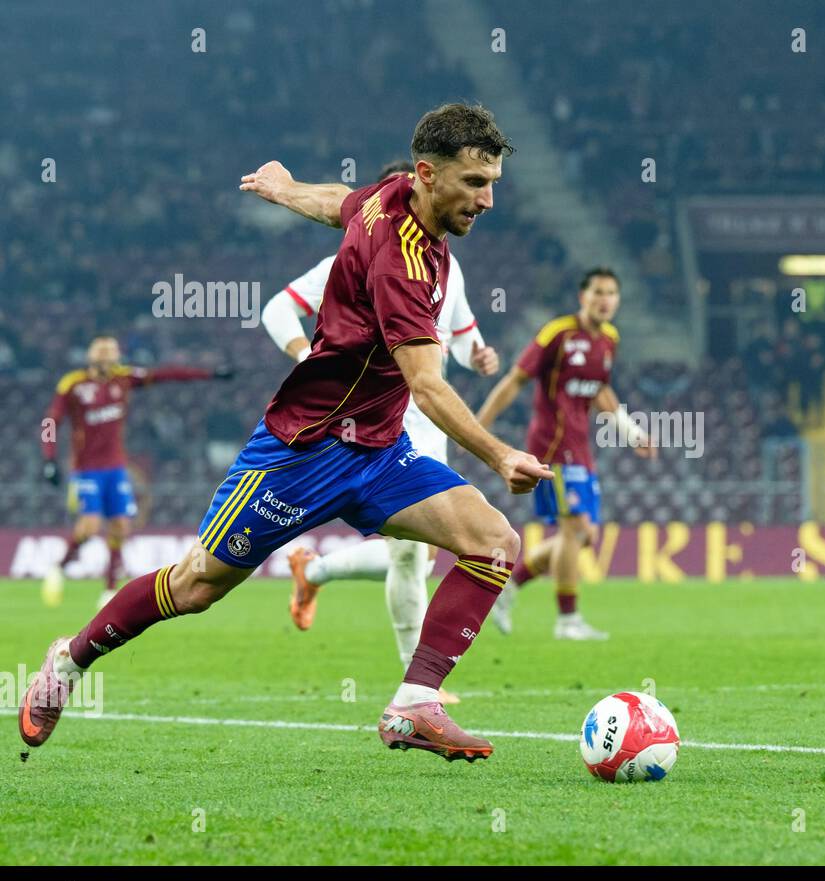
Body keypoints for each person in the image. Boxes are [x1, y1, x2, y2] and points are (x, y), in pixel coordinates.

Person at [21, 103, 551, 763]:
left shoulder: (390, 198)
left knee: (493, 542)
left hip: (379, 451)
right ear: (426, 174)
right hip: (303, 450)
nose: (489, 199)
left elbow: (341, 203)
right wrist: (501, 455)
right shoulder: (405, 265)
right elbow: (428, 385)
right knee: (195, 587)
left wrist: (284, 189)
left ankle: (415, 703)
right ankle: (66, 664)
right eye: (475, 183)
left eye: (493, 181)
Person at [260, 161, 500, 706]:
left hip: (427, 417)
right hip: (366, 415)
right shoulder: (355, 251)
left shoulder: (445, 262)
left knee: (416, 556)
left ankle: (314, 571)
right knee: (412, 557)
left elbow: (457, 333)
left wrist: (477, 354)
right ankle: (416, 682)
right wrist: (307, 356)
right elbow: (278, 309)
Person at [477, 269, 655, 641]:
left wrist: (632, 432)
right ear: (582, 296)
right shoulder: (557, 333)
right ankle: (568, 620)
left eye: (611, 293)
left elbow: (601, 392)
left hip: (581, 449)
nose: (604, 299)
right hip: (551, 446)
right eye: (597, 292)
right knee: (573, 530)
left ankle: (508, 588)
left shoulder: (609, 340)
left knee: (585, 535)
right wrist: (478, 427)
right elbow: (515, 380)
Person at [40, 335, 226, 608]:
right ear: (93, 358)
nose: (110, 361)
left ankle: (109, 590)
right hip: (86, 470)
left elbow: (167, 375)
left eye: (113, 355)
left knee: (120, 527)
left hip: (115, 468)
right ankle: (59, 567)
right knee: (90, 527)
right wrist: (49, 458)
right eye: (105, 356)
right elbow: (50, 420)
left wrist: (208, 375)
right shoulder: (73, 384)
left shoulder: (123, 378)